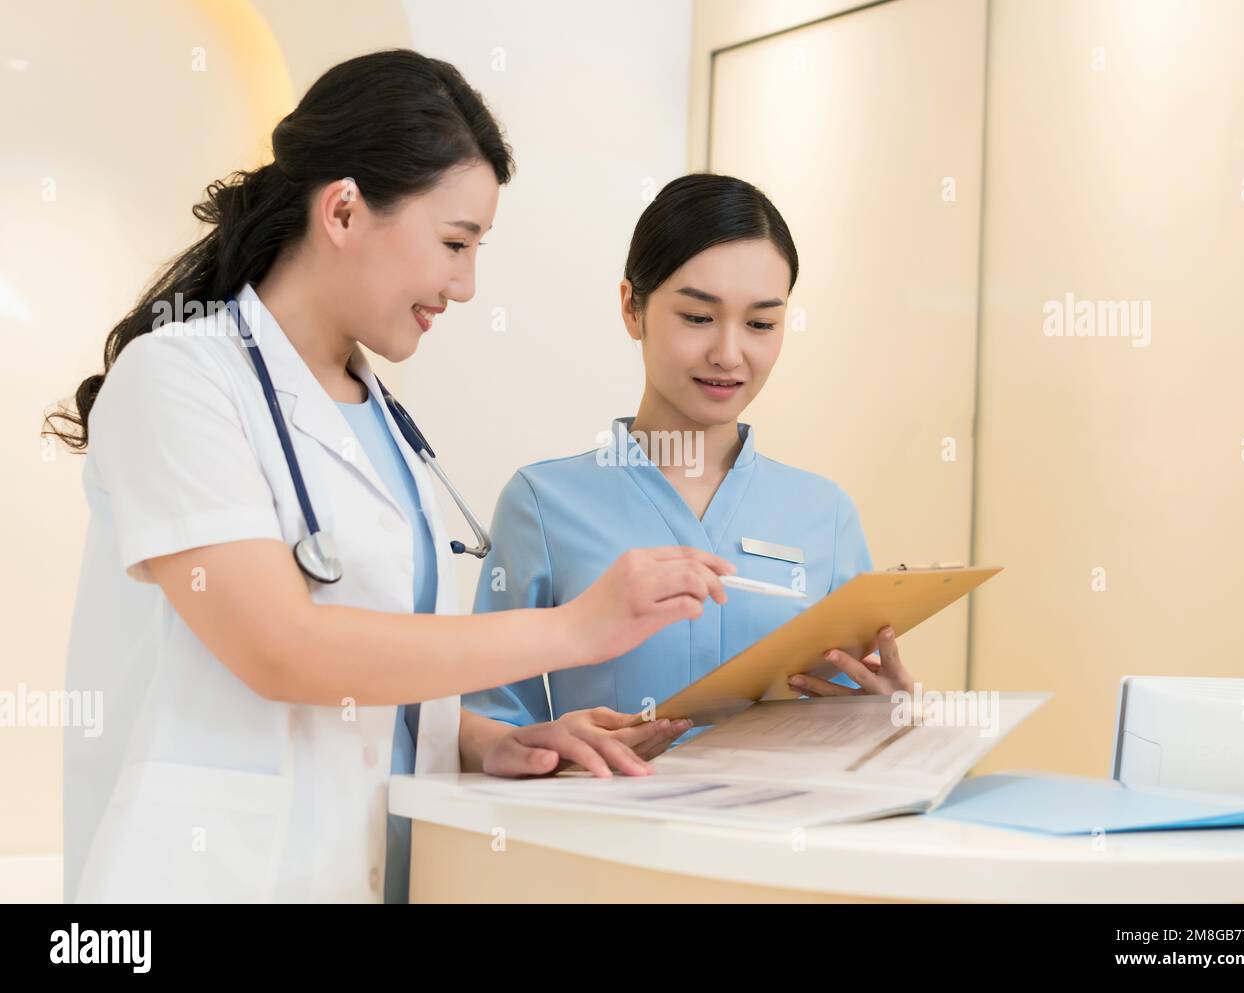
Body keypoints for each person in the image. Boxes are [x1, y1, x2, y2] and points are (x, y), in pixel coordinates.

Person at [47, 51, 731, 904]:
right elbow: (281, 648)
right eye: (454, 243)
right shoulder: (180, 378)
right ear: (342, 208)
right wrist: (577, 628)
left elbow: (360, 683)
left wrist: (481, 738)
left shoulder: (380, 417)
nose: (467, 284)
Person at [464, 173, 914, 749]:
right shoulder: (544, 505)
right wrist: (548, 747)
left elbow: (854, 729)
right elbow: (489, 723)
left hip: (779, 833)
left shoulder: (825, 514)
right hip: (599, 834)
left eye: (761, 324)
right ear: (633, 308)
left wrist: (892, 721)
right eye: (698, 318)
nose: (728, 354)